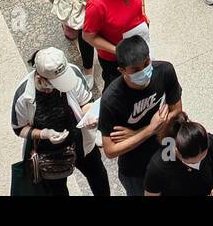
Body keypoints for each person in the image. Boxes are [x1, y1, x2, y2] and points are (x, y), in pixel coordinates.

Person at [11, 47, 111, 197]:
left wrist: (90, 115)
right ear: (40, 78)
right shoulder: (23, 96)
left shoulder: (73, 73)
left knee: (97, 174)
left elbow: (85, 101)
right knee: (58, 190)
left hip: (80, 140)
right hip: (49, 153)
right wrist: (44, 134)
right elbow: (19, 128)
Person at [97, 36, 183, 197]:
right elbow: (110, 151)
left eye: (147, 63)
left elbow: (177, 112)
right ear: (122, 71)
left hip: (167, 146)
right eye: (136, 70)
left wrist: (136, 133)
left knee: (172, 187)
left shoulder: (165, 71)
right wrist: (149, 130)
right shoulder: (111, 100)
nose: (144, 70)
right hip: (136, 166)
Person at [144, 114, 213, 195]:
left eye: (203, 156)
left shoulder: (210, 141)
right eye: (193, 162)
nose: (199, 163)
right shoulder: (158, 167)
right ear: (176, 150)